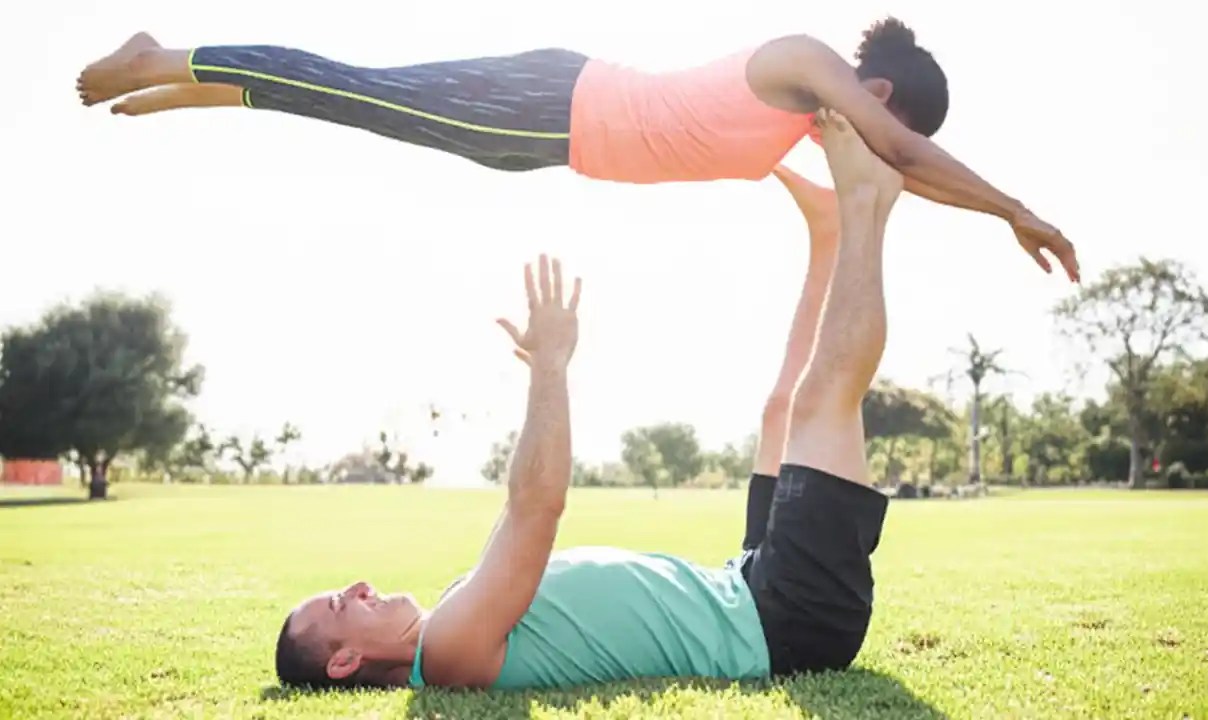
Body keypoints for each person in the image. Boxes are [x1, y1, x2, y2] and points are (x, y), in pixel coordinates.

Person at [271, 110, 902, 691]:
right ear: (345, 662)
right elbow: (535, 508)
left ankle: (828, 235)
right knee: (825, 401)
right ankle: (869, 203)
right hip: (785, 621)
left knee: (781, 414)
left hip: (743, 583)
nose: (356, 587)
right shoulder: (448, 652)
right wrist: (549, 367)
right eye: (337, 606)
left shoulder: (455, 614)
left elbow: (521, 519)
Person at [75, 20, 1079, 282]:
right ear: (883, 92)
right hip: (552, 104)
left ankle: (191, 89)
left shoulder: (806, 120)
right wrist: (1017, 211)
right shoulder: (809, 62)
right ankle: (165, 56)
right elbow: (902, 155)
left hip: (547, 133)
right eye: (886, 120)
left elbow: (888, 167)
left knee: (366, 106)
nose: (874, 137)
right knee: (364, 91)